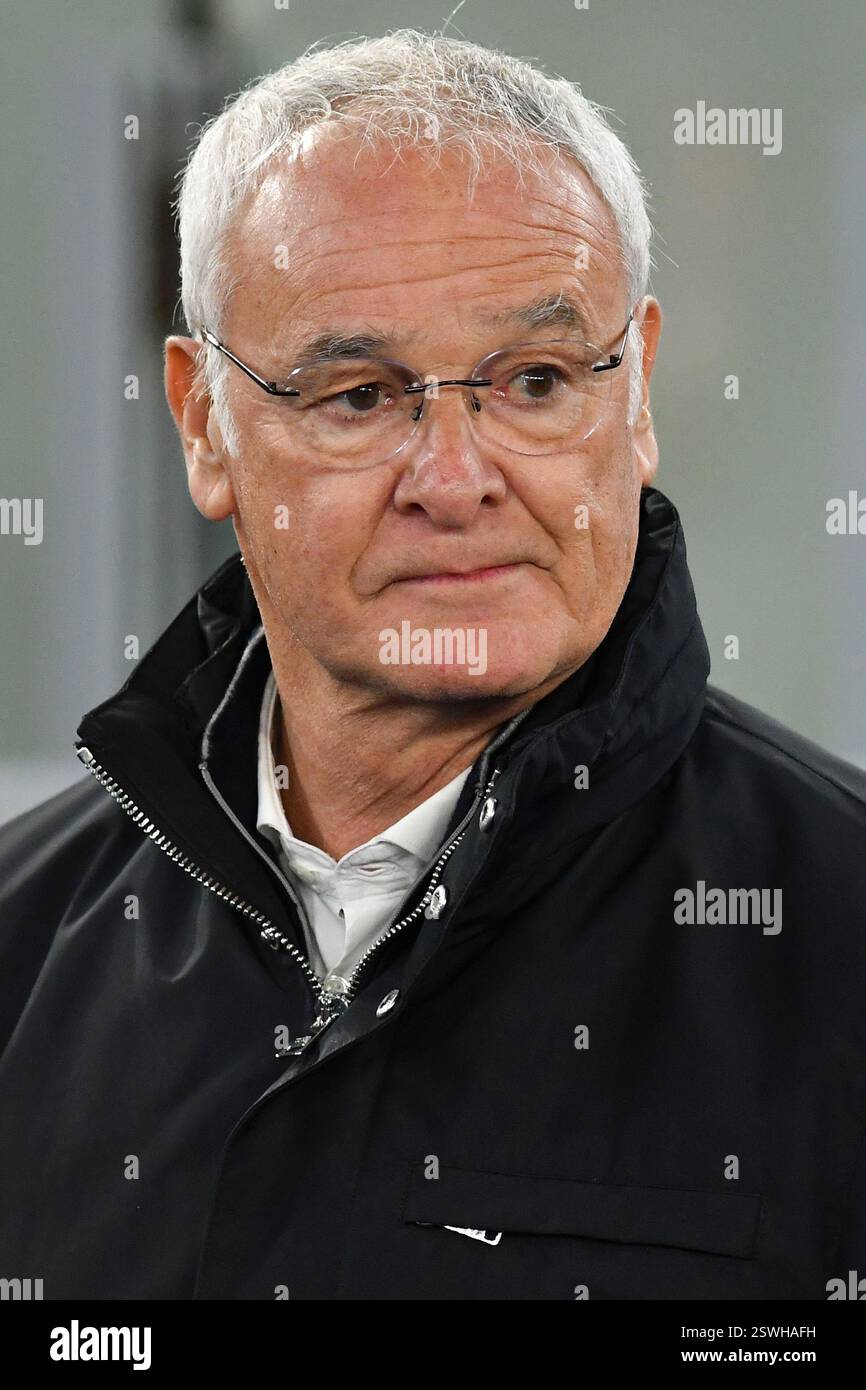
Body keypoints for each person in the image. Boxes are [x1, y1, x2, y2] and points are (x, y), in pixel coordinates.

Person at [1, 29, 865, 1302]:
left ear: (635, 403)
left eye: (533, 380)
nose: (455, 480)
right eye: (356, 394)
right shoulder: (23, 946)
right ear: (202, 424)